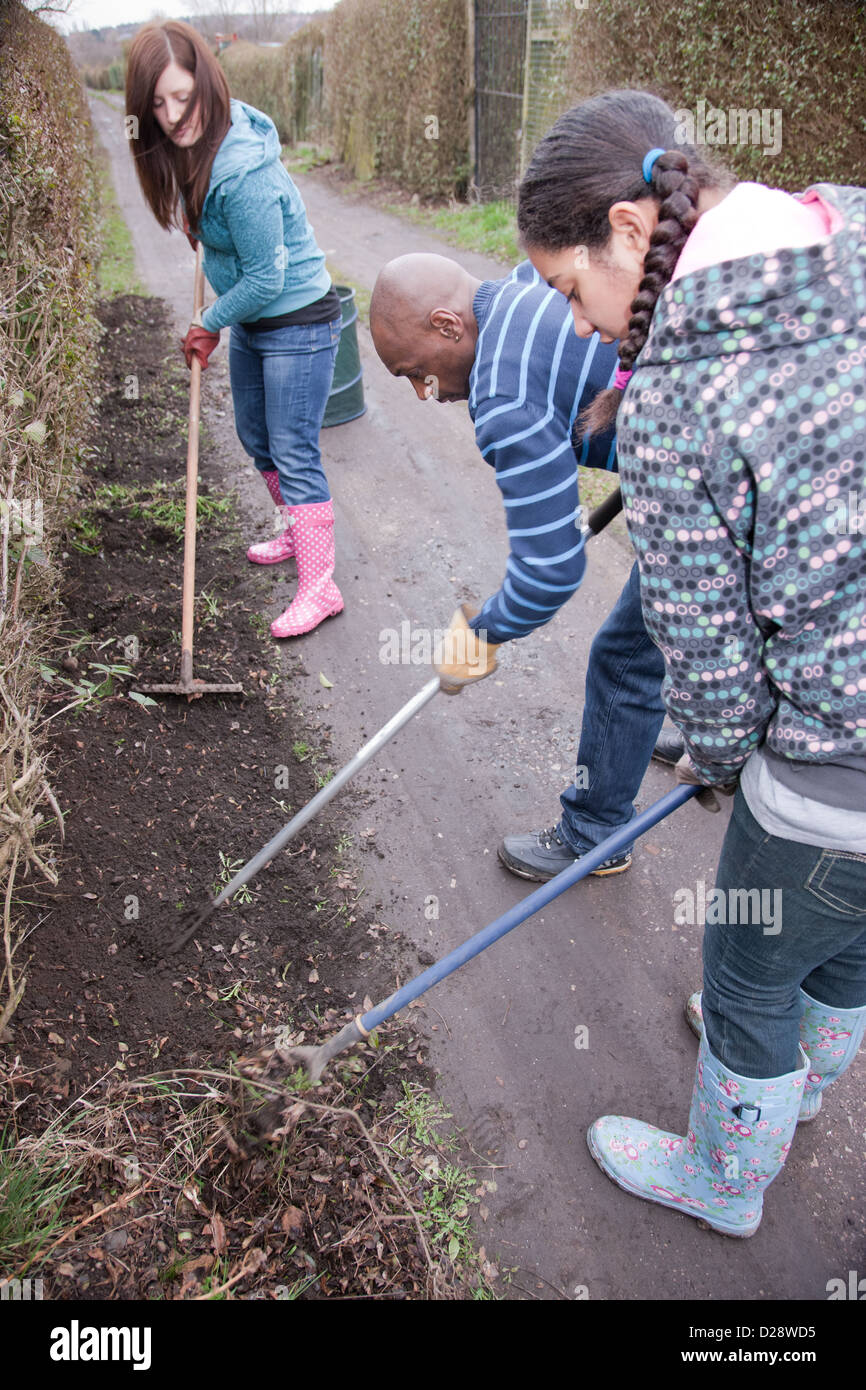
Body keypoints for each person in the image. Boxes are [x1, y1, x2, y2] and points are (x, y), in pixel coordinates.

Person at [515, 88, 866, 1237]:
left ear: (626, 228)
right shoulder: (847, 230)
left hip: (830, 776)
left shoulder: (670, 406)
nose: (576, 324)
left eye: (570, 290)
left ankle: (725, 1178)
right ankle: (800, 1092)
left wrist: (724, 759)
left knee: (751, 970)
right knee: (849, 940)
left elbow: (706, 675)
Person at [370, 252, 678, 879]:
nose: (423, 394)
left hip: (711, 471)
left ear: (447, 325)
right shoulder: (524, 282)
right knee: (709, 626)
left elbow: (550, 572)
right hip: (705, 440)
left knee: (626, 656)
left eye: (416, 373)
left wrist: (481, 632)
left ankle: (596, 833)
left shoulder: (502, 397)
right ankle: (724, 733)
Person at [125, 19, 343, 638]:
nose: (173, 115)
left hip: (297, 320)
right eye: (159, 103)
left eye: (183, 97)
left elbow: (268, 279)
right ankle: (297, 532)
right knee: (257, 437)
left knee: (295, 450)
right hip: (256, 318)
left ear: (206, 83)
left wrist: (208, 320)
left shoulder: (243, 173)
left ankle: (320, 586)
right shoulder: (200, 147)